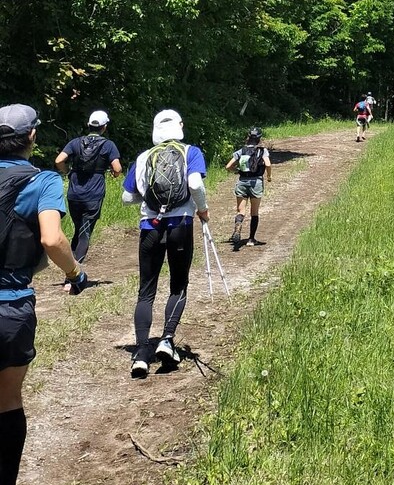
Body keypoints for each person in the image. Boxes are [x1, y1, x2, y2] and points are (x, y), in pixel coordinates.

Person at [0, 104, 86, 485]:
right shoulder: (43, 180)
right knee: (7, 401)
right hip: (10, 305)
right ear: (32, 137)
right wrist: (74, 273)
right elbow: (52, 239)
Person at [122, 109, 208, 379]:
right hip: (180, 224)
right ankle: (167, 339)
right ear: (180, 127)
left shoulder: (144, 157)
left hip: (150, 226)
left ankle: (141, 351)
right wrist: (202, 209)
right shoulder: (190, 152)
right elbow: (194, 184)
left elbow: (127, 197)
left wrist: (150, 202)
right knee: (179, 284)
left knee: (146, 290)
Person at [54, 109, 122, 268]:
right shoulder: (108, 145)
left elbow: (59, 160)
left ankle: (69, 270)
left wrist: (67, 172)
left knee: (78, 230)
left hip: (74, 193)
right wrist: (113, 173)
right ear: (104, 127)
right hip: (94, 194)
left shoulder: (75, 142)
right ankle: (73, 275)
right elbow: (117, 169)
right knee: (84, 234)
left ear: (88, 125)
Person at [224, 128, 271, 248]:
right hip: (256, 183)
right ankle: (251, 239)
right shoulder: (262, 151)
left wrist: (237, 171)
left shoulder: (242, 150)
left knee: (241, 211)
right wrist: (269, 176)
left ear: (248, 137)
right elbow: (268, 164)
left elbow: (228, 166)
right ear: (259, 138)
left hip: (242, 182)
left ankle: (238, 227)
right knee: (254, 212)